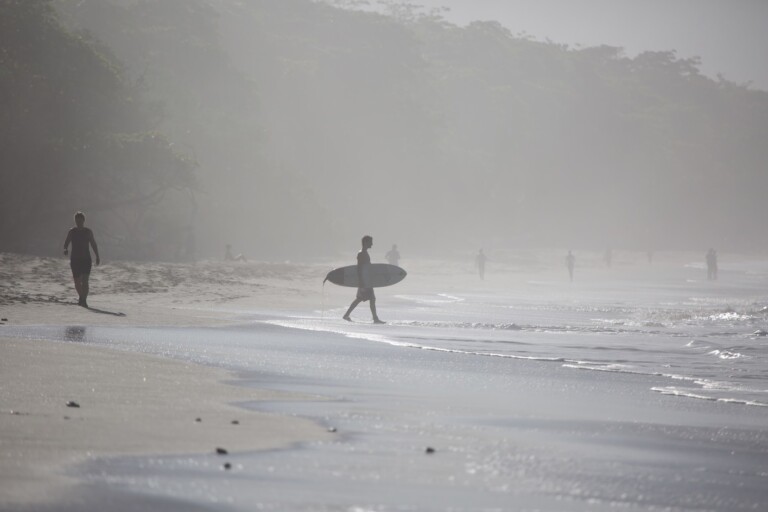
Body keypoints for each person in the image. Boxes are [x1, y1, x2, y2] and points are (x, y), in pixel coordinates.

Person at [343, 235, 384, 324]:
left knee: (359, 299)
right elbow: (359, 268)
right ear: (366, 242)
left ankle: (346, 315)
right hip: (365, 281)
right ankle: (375, 319)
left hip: (366, 280)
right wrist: (362, 281)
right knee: (371, 299)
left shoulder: (363, 252)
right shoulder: (361, 253)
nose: (372, 244)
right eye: (370, 242)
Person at [63, 211, 100, 307]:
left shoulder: (88, 232)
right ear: (75, 221)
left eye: (80, 220)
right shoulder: (72, 231)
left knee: (85, 281)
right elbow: (66, 243)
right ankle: (82, 297)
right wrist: (65, 249)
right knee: (76, 281)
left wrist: (97, 256)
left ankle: (83, 300)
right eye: (77, 220)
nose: (78, 222)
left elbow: (93, 244)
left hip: (86, 259)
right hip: (75, 259)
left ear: (84, 221)